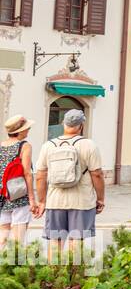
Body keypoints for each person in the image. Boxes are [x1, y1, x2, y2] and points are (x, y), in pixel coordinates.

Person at [33, 109, 105, 256]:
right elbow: (97, 174)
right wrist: (100, 198)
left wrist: (42, 201)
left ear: (62, 123)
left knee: (55, 241)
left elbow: (40, 176)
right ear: (81, 125)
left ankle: (53, 276)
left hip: (55, 201)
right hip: (82, 201)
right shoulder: (89, 145)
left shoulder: (48, 145)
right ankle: (73, 276)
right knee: (76, 240)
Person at [0, 114, 35, 252]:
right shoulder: (24, 146)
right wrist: (32, 198)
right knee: (18, 235)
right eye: (27, 128)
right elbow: (27, 172)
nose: (28, 130)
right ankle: (14, 266)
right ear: (19, 131)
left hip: (3, 195)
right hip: (19, 194)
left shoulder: (1, 145)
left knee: (3, 233)